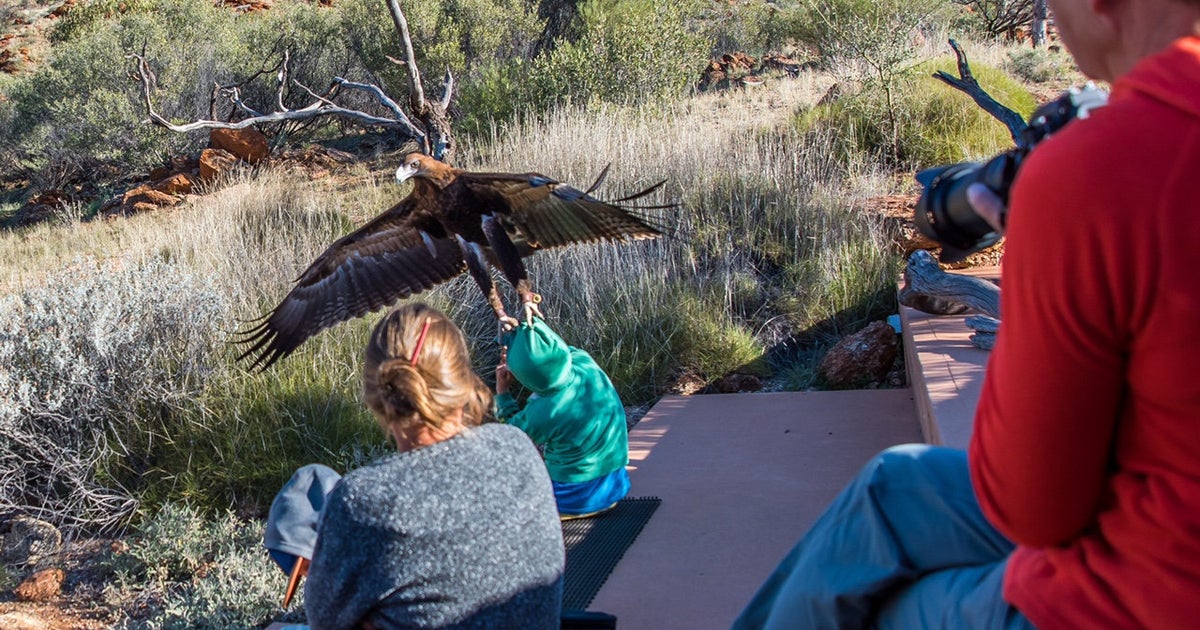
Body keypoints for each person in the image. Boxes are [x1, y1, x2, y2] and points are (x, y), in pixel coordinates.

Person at [732, 0, 1200, 627]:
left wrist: (1045, 238)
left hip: (1148, 594)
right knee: (896, 482)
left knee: (880, 607)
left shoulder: (1110, 166)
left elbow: (1031, 507)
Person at [268, 303, 565, 630]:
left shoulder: (362, 501)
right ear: (462, 380)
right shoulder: (517, 447)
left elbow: (324, 621)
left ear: (374, 395)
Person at [494, 316, 630, 519]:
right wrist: (523, 337)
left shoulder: (545, 411)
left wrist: (502, 393)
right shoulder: (584, 362)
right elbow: (554, 351)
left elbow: (511, 436)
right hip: (615, 485)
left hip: (573, 498)